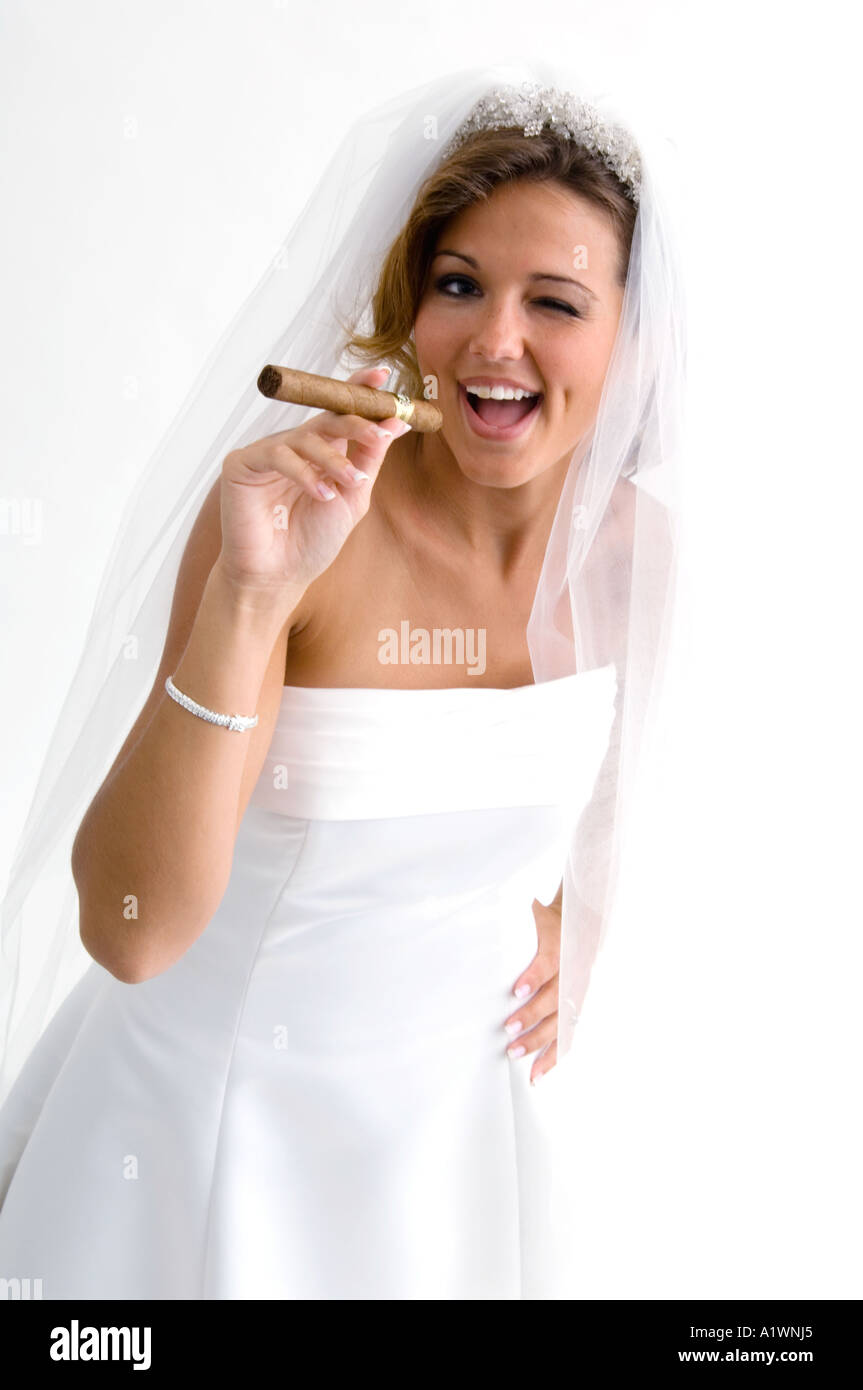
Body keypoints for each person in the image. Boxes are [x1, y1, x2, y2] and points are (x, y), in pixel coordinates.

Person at [0, 62, 685, 1299]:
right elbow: (128, 931)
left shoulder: (633, 547)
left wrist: (576, 922)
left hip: (445, 1154)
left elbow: (604, 794)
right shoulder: (295, 522)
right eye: (458, 284)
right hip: (213, 1138)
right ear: (405, 299)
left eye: (556, 301)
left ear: (631, 337)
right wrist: (252, 593)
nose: (494, 341)